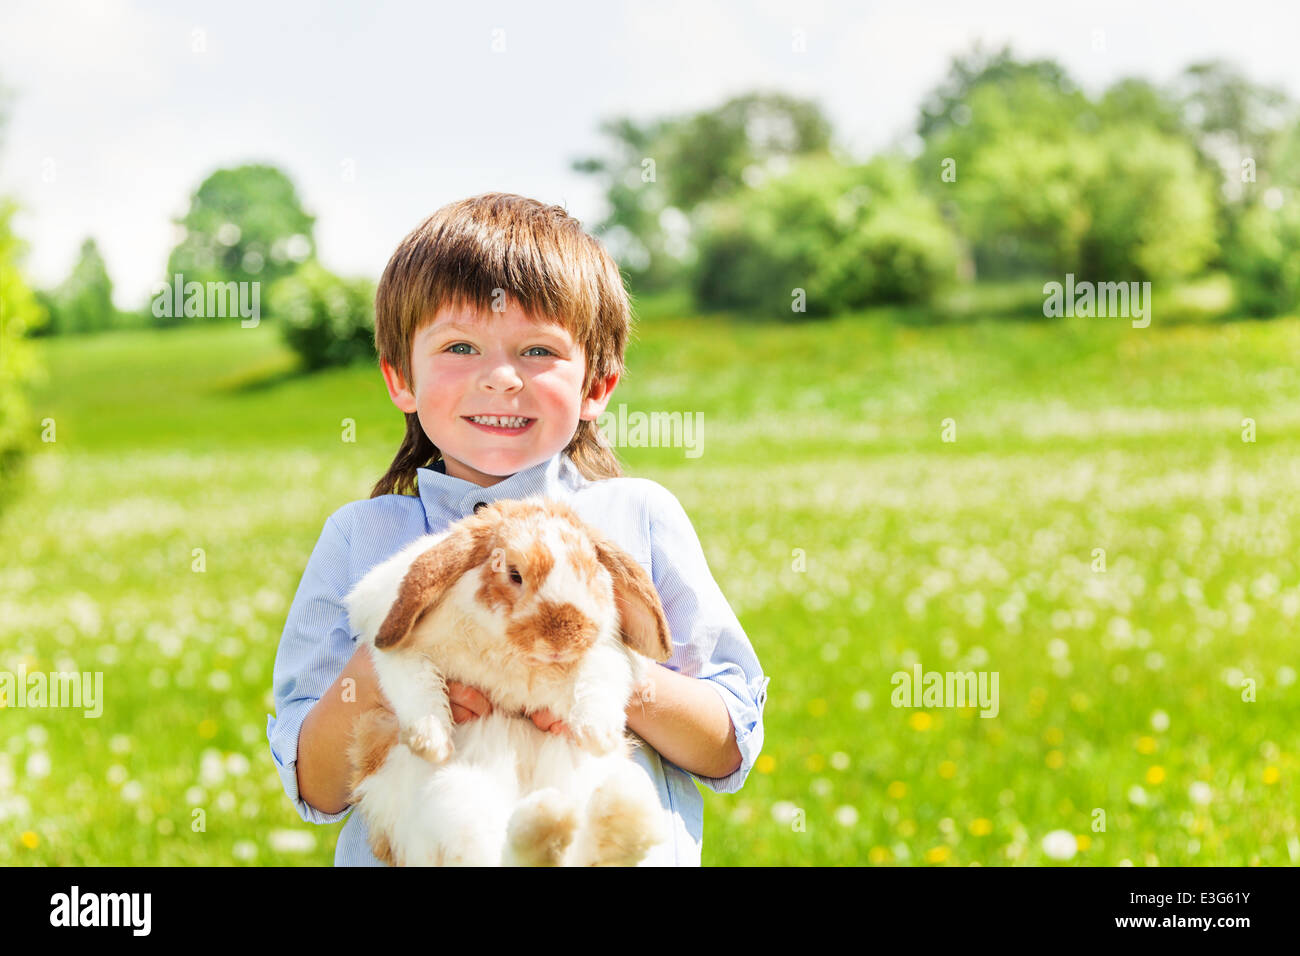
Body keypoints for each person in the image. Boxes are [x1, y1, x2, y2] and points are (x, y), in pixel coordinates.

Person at [267, 192, 769, 865]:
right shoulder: (362, 540)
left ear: (597, 384)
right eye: (460, 346)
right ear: (400, 378)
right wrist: (402, 667)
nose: (500, 378)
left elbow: (727, 743)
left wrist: (603, 677)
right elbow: (314, 783)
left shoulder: (637, 517)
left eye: (537, 350)